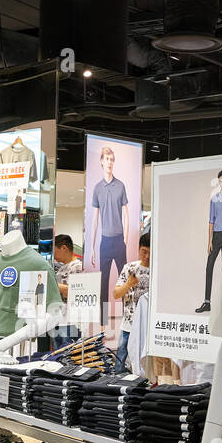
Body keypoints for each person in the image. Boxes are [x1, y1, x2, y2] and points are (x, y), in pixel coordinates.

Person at [88, 145, 129, 325]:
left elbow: (126, 214)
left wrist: (126, 239)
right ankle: (103, 323)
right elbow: (95, 219)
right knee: (103, 284)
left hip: (119, 240)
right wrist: (91, 247)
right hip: (104, 242)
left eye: (112, 159)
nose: (110, 163)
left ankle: (127, 319)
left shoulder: (120, 186)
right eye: (107, 159)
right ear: (102, 162)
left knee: (124, 282)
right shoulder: (97, 188)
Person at [197, 169, 222, 313]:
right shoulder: (214, 200)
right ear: (218, 182)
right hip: (216, 236)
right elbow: (210, 221)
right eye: (220, 180)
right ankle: (207, 302)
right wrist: (209, 241)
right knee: (209, 267)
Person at [112, 231, 150, 373]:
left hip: (148, 327)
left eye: (150, 253)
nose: (146, 256)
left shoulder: (158, 270)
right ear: (139, 249)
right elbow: (116, 294)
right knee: (120, 362)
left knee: (145, 363)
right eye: (144, 251)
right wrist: (128, 284)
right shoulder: (129, 268)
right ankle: (117, 388)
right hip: (128, 325)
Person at [52, 234, 82, 301]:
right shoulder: (62, 267)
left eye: (54, 250)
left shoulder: (77, 267)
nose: (53, 255)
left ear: (64, 248)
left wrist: (52, 285)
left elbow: (76, 292)